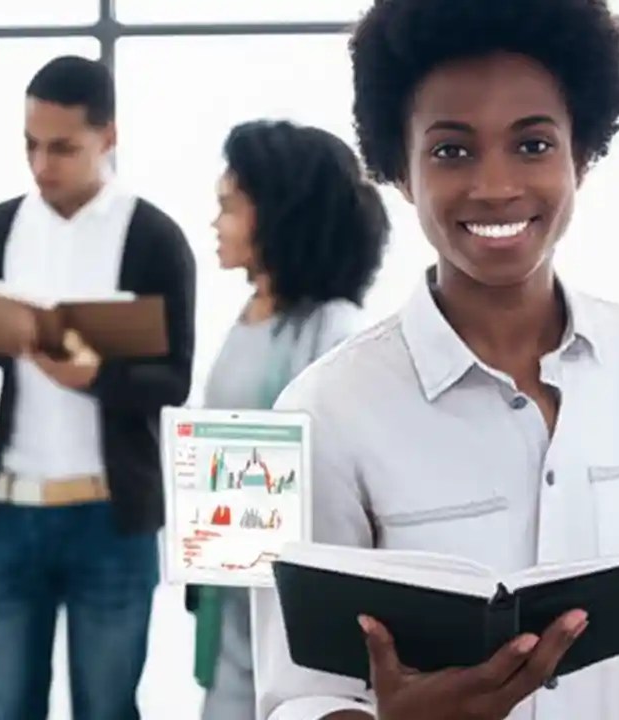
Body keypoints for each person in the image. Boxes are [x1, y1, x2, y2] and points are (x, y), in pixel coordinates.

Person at [253, 0, 619, 719]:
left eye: (533, 144)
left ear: (582, 153)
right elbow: (297, 700)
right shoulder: (325, 408)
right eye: (451, 150)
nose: (495, 186)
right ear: (400, 170)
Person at [0, 55, 196, 720]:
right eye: (30, 144)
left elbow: (174, 379)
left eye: (62, 147)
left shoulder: (154, 237)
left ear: (108, 136)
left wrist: (95, 377)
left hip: (110, 519)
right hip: (9, 511)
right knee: (4, 708)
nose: (41, 164)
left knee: (108, 709)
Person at [192, 119, 388, 720]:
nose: (215, 222)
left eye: (229, 206)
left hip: (286, 593)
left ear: (277, 213)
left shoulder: (330, 328)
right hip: (230, 583)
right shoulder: (248, 315)